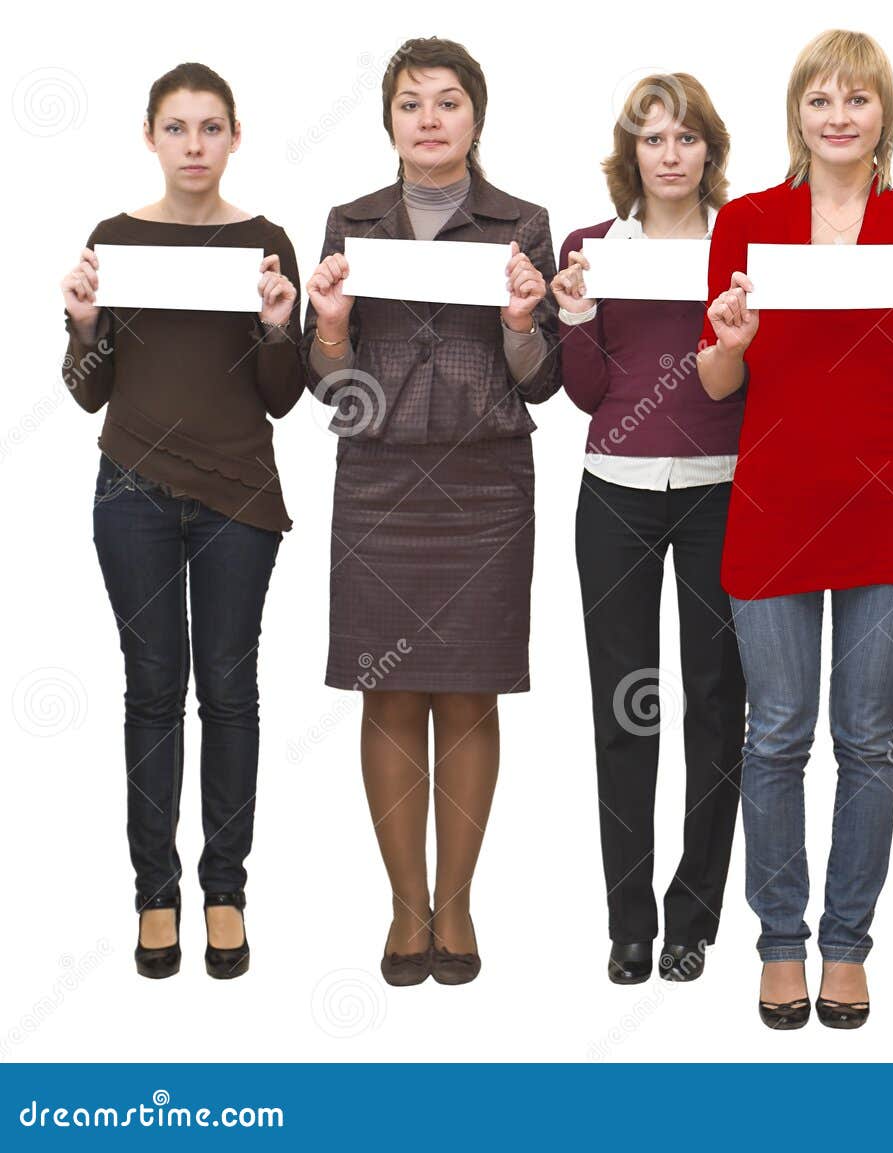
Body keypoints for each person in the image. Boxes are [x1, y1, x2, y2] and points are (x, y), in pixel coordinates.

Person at [698, 29, 893, 1029]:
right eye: (821, 100)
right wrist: (728, 340)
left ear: (884, 113)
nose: (839, 116)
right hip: (771, 503)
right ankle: (778, 941)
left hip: (884, 502)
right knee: (774, 736)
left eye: (857, 99)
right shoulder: (751, 224)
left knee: (868, 738)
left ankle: (845, 944)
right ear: (797, 115)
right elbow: (721, 378)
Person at [301, 37, 561, 987]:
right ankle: (405, 906)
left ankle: (457, 902)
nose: (430, 119)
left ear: (476, 120)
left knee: (469, 690)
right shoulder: (350, 222)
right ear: (390, 122)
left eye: (448, 103)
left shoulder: (520, 223)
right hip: (377, 481)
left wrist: (524, 323)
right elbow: (326, 381)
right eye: (412, 104)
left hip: (486, 484)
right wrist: (328, 327)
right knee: (390, 692)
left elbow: (543, 384)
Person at [59, 62, 302, 980]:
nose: (194, 145)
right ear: (151, 137)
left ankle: (226, 888)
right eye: (176, 128)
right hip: (132, 491)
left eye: (210, 128)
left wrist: (282, 325)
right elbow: (88, 396)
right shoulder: (114, 239)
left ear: (235, 136)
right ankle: (154, 892)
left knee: (229, 692)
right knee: (153, 690)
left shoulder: (264, 239)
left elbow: (281, 398)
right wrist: (83, 324)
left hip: (238, 494)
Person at [551, 73, 746, 986]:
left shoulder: (745, 248)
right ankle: (629, 918)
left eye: (686, 138)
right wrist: (579, 315)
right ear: (631, 153)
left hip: (721, 488)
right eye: (653, 139)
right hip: (616, 491)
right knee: (627, 705)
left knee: (716, 704)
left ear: (709, 150)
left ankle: (693, 914)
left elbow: (757, 385)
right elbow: (587, 394)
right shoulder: (591, 248)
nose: (671, 155)